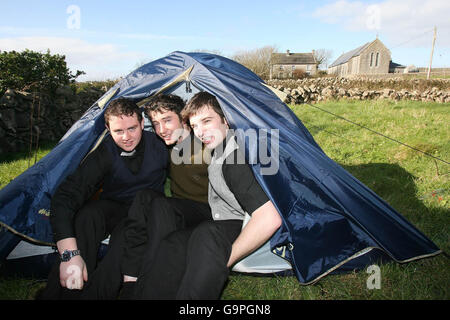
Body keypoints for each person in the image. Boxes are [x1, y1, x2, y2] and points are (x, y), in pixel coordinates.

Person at [134, 91, 282, 299]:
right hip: (220, 217)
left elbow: (269, 218)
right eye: (195, 126)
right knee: (174, 243)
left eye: (207, 121)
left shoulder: (234, 160)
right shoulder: (219, 147)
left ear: (226, 120)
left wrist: (225, 259)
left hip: (236, 223)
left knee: (207, 233)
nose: (200, 131)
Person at [39, 98, 168, 299]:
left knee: (126, 235)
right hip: (115, 207)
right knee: (87, 216)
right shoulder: (105, 152)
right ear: (108, 129)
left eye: (132, 128)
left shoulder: (161, 145)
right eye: (118, 131)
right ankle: (64, 286)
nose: (126, 137)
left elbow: (193, 155)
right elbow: (67, 195)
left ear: (143, 123)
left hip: (144, 212)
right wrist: (69, 254)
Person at [119, 94, 212, 298]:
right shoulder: (166, 147)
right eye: (155, 123)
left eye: (167, 120)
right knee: (145, 197)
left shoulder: (207, 144)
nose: (161, 130)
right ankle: (131, 277)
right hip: (180, 209)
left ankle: (147, 285)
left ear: (183, 118)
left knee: (164, 206)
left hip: (208, 214)